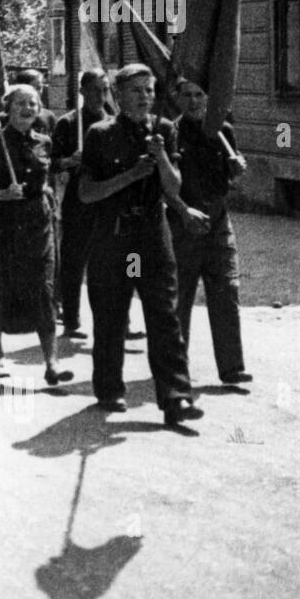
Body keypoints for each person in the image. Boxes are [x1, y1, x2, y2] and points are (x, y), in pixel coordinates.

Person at [78, 64, 202, 427]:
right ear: (118, 96)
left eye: (149, 90)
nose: (145, 96)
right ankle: (110, 388)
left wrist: (161, 156)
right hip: (115, 237)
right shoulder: (100, 134)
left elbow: (175, 187)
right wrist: (130, 175)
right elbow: (87, 193)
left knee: (164, 315)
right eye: (136, 91)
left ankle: (176, 397)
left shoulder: (164, 130)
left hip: (151, 235)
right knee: (111, 314)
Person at [0, 85, 72, 385]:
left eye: (33, 103)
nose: (27, 108)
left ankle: (51, 362)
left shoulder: (45, 142)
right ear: (7, 107)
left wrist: (48, 192)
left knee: (43, 288)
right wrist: (3, 193)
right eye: (20, 103)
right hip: (1, 226)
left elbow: (48, 176)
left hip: (37, 226)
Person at [168, 78, 251, 386]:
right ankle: (176, 368)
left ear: (208, 97)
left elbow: (229, 179)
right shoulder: (170, 133)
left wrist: (237, 169)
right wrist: (181, 211)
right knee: (181, 297)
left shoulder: (223, 131)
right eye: (187, 95)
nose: (193, 101)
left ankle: (232, 368)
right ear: (177, 99)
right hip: (184, 223)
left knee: (226, 291)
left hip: (217, 222)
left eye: (199, 94)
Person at [51, 68, 113, 338]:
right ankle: (71, 320)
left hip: (108, 201)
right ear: (82, 92)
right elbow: (51, 162)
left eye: (104, 90)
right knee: (74, 262)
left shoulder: (113, 122)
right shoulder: (68, 123)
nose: (100, 96)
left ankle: (118, 319)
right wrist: (68, 161)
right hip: (77, 202)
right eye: (95, 90)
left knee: (117, 262)